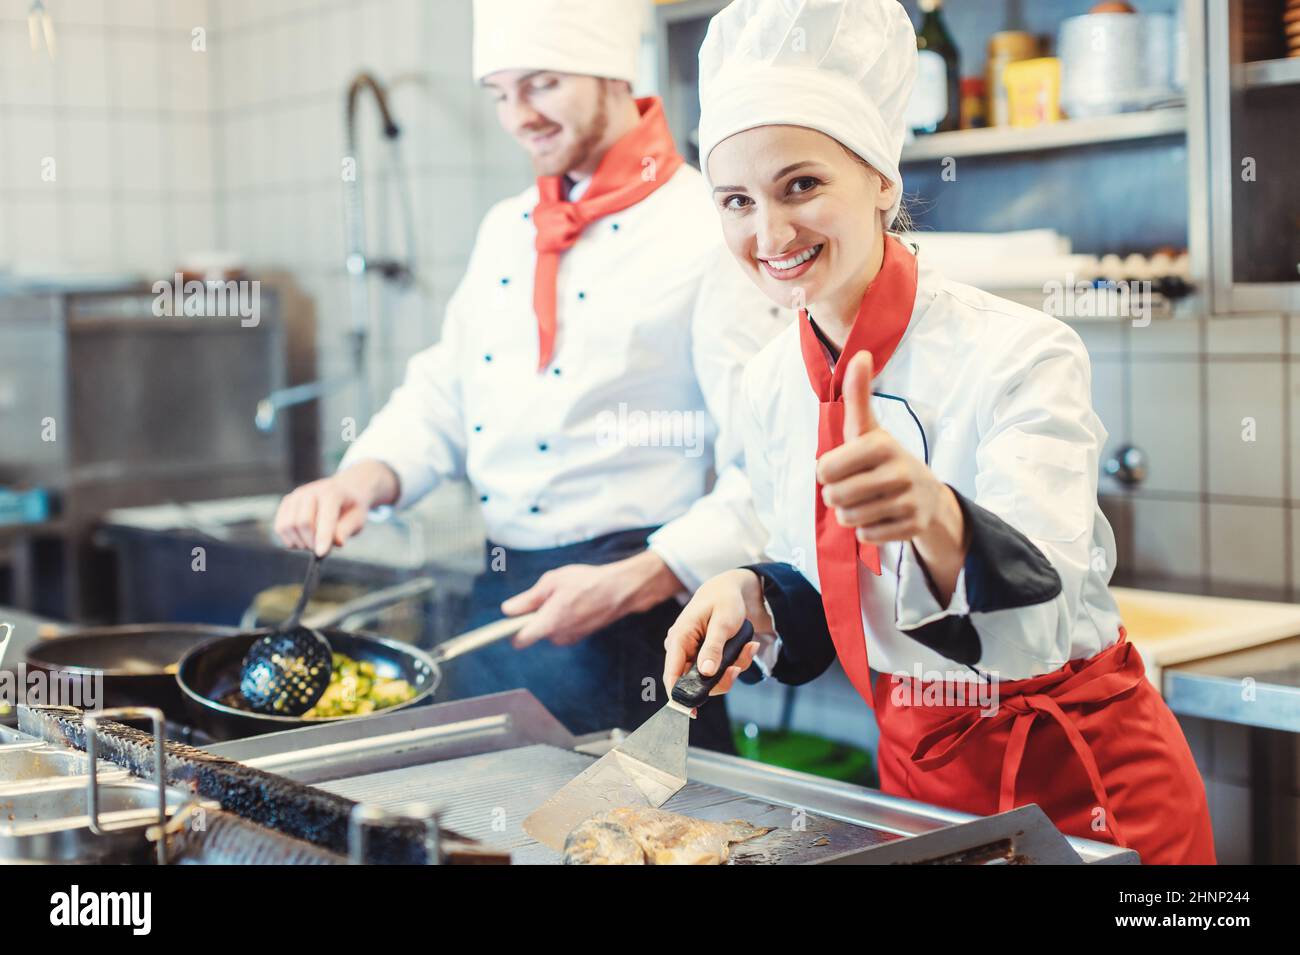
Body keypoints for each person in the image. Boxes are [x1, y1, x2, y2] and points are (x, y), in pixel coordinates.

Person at [663, 0, 1216, 862]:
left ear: (882, 179)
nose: (768, 233)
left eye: (800, 185)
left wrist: (937, 517)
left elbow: (1040, 608)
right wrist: (755, 591)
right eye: (736, 199)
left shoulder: (1022, 350)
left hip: (1083, 790)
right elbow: (829, 586)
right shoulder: (772, 376)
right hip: (918, 790)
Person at [273, 0, 785, 751]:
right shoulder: (507, 229)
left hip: (639, 618)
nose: (518, 117)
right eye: (499, 93)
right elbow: (445, 392)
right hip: (502, 606)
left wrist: (641, 576)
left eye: (542, 84)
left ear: (614, 73)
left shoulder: (706, 226)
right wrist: (361, 479)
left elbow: (771, 460)